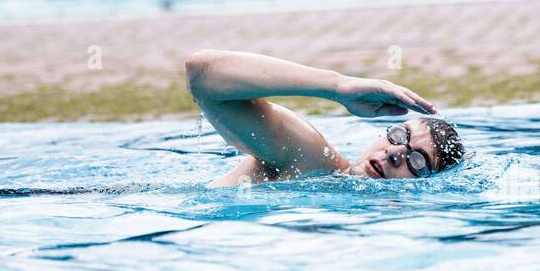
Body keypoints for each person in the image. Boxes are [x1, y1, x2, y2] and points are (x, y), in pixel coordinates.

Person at [185, 49, 464, 187]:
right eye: (400, 136)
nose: (394, 153)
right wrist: (336, 87)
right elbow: (202, 72)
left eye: (417, 161)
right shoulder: (311, 159)